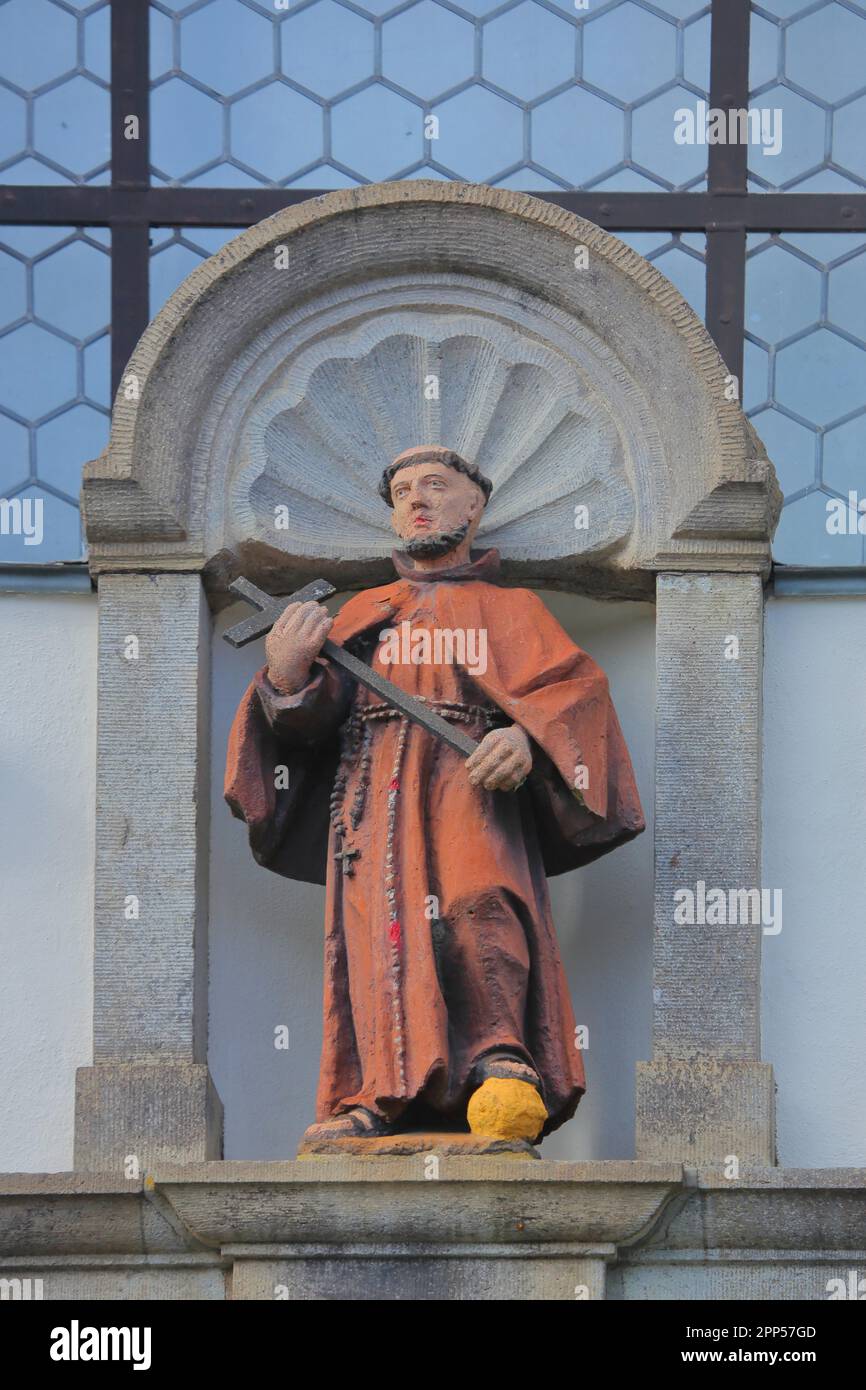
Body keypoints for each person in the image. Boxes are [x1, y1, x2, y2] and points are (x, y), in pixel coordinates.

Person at [225, 445, 645, 1148]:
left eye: (434, 486)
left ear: (474, 504)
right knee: (377, 932)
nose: (415, 501)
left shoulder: (511, 609)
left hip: (470, 781)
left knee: (477, 903)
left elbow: (577, 694)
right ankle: (376, 1094)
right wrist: (286, 676)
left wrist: (527, 740)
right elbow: (311, 720)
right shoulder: (365, 610)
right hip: (373, 790)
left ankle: (498, 1061)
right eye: (399, 492)